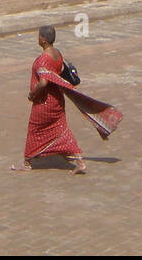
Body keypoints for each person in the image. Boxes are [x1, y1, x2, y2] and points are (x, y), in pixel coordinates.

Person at [13, 25, 122, 174]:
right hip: (57, 100)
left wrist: (33, 94)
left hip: (45, 102)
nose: (38, 38)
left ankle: (27, 161)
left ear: (43, 40)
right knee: (61, 129)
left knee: (35, 130)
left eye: (39, 36)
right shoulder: (57, 54)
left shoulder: (43, 59)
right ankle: (79, 161)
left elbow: (43, 82)